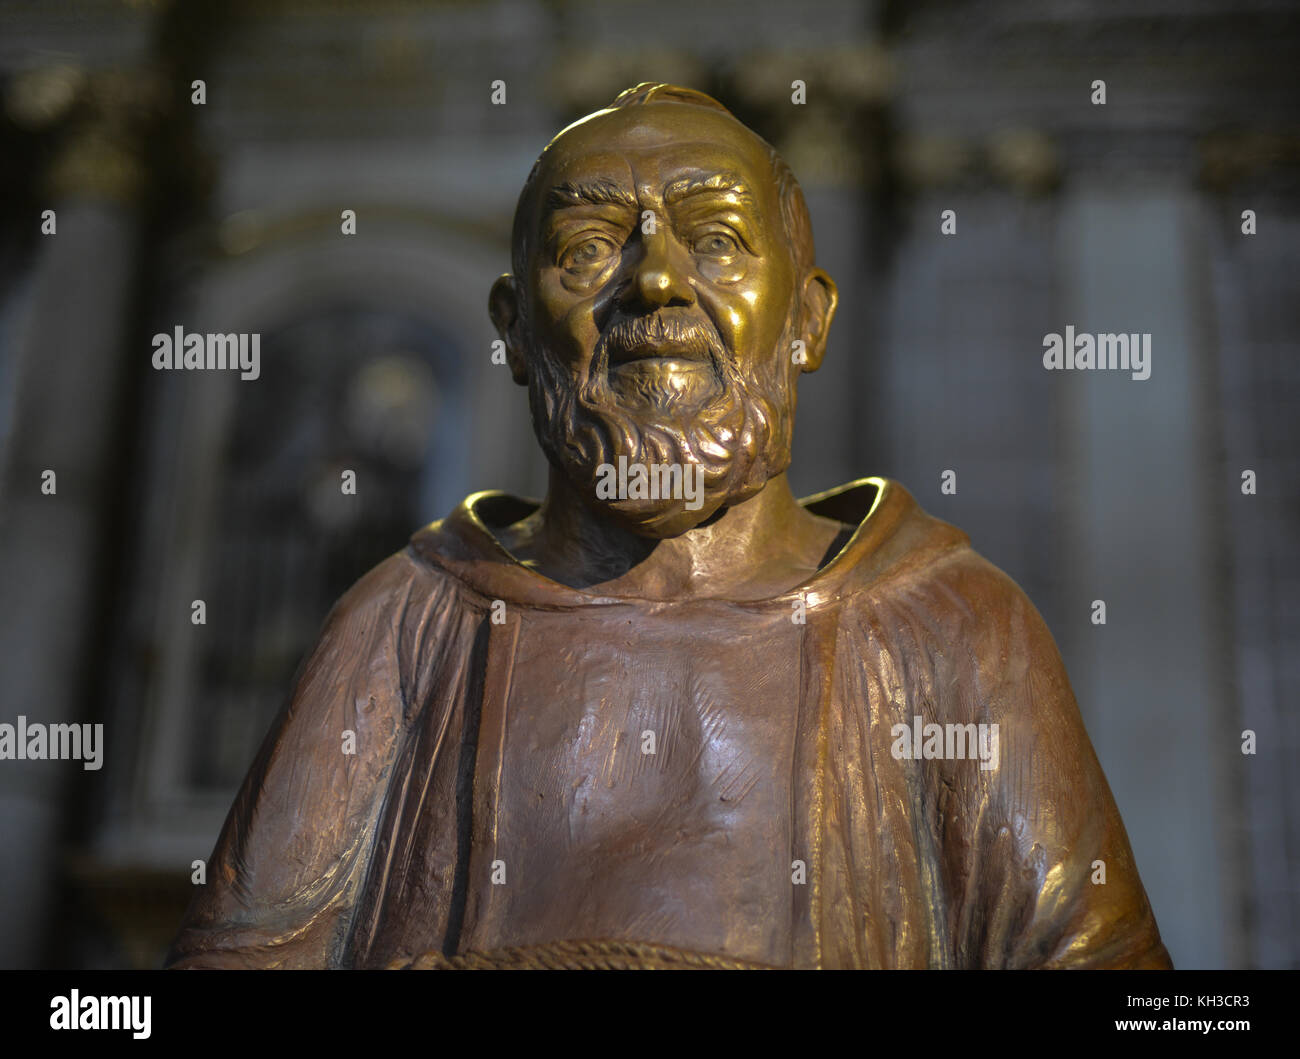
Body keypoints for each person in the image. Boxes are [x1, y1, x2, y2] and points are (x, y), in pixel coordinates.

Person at [167, 83, 1170, 969]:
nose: (654, 282)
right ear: (514, 329)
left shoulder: (948, 625)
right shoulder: (404, 626)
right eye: (590, 248)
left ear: (809, 320)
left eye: (718, 240)